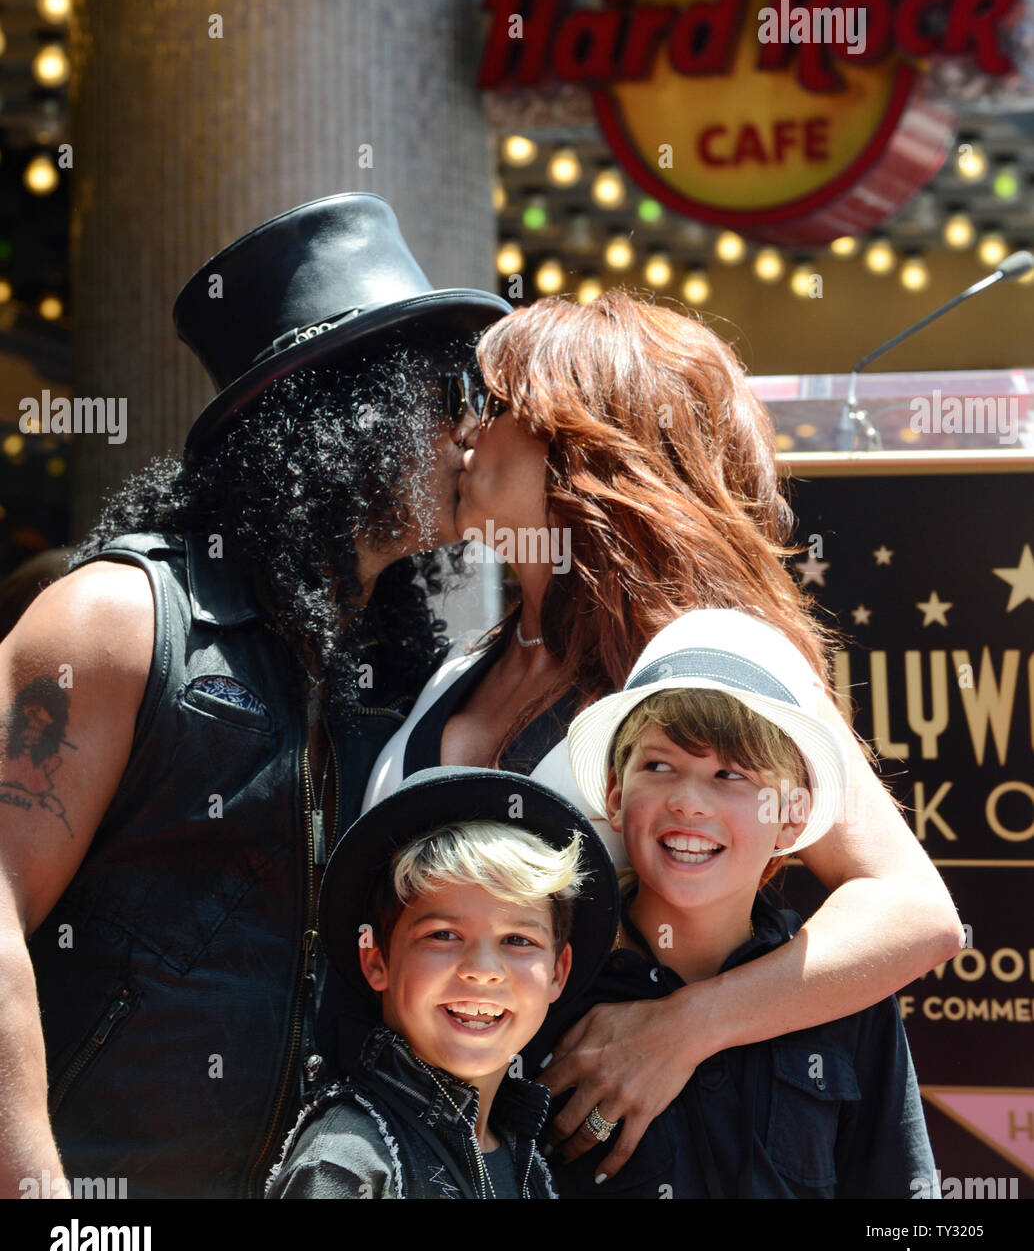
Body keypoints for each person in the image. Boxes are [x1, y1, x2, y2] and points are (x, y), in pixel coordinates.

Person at [360, 289, 963, 1181]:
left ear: (584, 441)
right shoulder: (462, 670)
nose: (462, 435)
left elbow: (915, 915)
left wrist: (688, 1027)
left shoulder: (703, 665)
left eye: (493, 407)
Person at [0, 193, 509, 1198]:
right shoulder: (116, 619)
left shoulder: (397, 673)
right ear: (341, 416)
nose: (469, 431)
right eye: (439, 393)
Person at [525, 608, 937, 1198]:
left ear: (792, 818)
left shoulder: (844, 994)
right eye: (660, 765)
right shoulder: (546, 981)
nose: (689, 802)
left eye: (732, 774)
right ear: (615, 796)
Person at [265, 765, 619, 1199]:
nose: (484, 969)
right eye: (444, 935)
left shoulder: (526, 1162)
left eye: (518, 940)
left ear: (557, 972)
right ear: (377, 959)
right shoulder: (348, 1162)